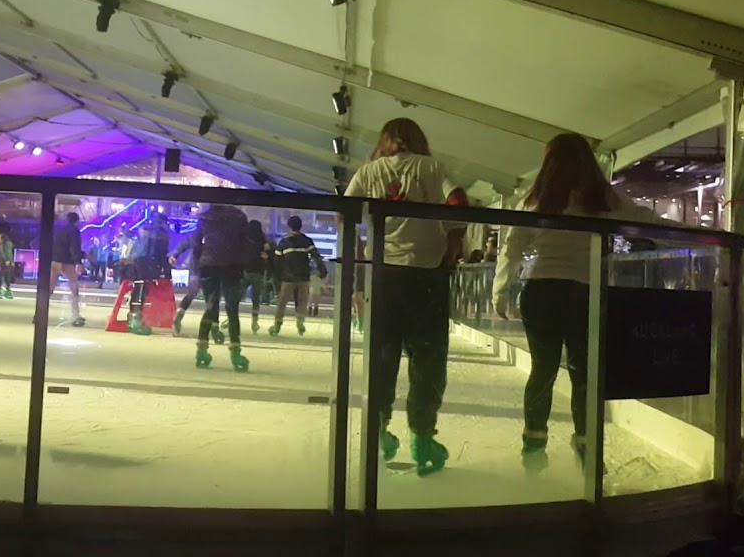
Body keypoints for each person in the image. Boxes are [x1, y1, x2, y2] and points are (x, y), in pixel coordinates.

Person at [493, 133, 665, 469]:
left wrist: (500, 290)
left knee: (542, 370)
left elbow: (511, 247)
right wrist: (699, 235)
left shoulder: (537, 198)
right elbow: (647, 221)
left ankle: (533, 447)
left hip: (541, 289)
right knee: (584, 374)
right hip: (585, 290)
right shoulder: (602, 198)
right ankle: (587, 447)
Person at [344, 117, 466, 476]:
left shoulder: (369, 172)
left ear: (385, 141)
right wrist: (452, 243)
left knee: (382, 356)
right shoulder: (431, 166)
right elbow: (458, 199)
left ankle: (380, 434)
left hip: (383, 273)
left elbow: (346, 213)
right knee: (427, 359)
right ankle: (423, 438)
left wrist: (363, 248)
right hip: (426, 274)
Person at [183, 204, 251, 371]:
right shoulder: (239, 216)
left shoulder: (205, 218)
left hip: (208, 265)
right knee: (231, 308)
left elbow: (196, 243)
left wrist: (197, 267)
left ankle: (202, 349)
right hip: (232, 265)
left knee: (211, 305)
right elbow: (246, 242)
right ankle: (235, 352)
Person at [271, 216, 328, 337]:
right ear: (300, 226)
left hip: (288, 278)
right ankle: (300, 323)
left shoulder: (284, 242)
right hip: (303, 277)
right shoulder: (307, 241)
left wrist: (276, 277)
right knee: (302, 302)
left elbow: (277, 261)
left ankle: (277, 325)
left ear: (289, 226)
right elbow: (316, 257)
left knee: (282, 302)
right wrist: (323, 272)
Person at [125, 212, 171, 336]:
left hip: (135, 262)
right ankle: (136, 321)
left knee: (137, 289)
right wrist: (167, 273)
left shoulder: (144, 230)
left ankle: (132, 317)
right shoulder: (162, 234)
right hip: (148, 263)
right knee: (142, 291)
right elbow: (162, 254)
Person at [51, 213, 85, 326]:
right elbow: (74, 248)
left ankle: (39, 314)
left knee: (49, 289)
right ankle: (75, 316)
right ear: (77, 221)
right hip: (67, 262)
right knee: (74, 288)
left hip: (55, 261)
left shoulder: (60, 231)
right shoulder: (74, 231)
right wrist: (78, 262)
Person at [241, 219, 273, 334]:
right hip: (258, 272)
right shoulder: (263, 240)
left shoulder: (244, 239)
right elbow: (268, 255)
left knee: (237, 296)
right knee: (256, 299)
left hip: (244, 272)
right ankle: (254, 321)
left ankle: (231, 317)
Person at [0, 224, 15, 300]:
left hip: (5, 262)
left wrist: (8, 260)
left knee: (3, 275)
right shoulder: (4, 244)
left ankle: (3, 289)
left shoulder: (6, 244)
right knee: (3, 275)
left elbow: (7, 253)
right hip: (4, 261)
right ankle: (4, 288)